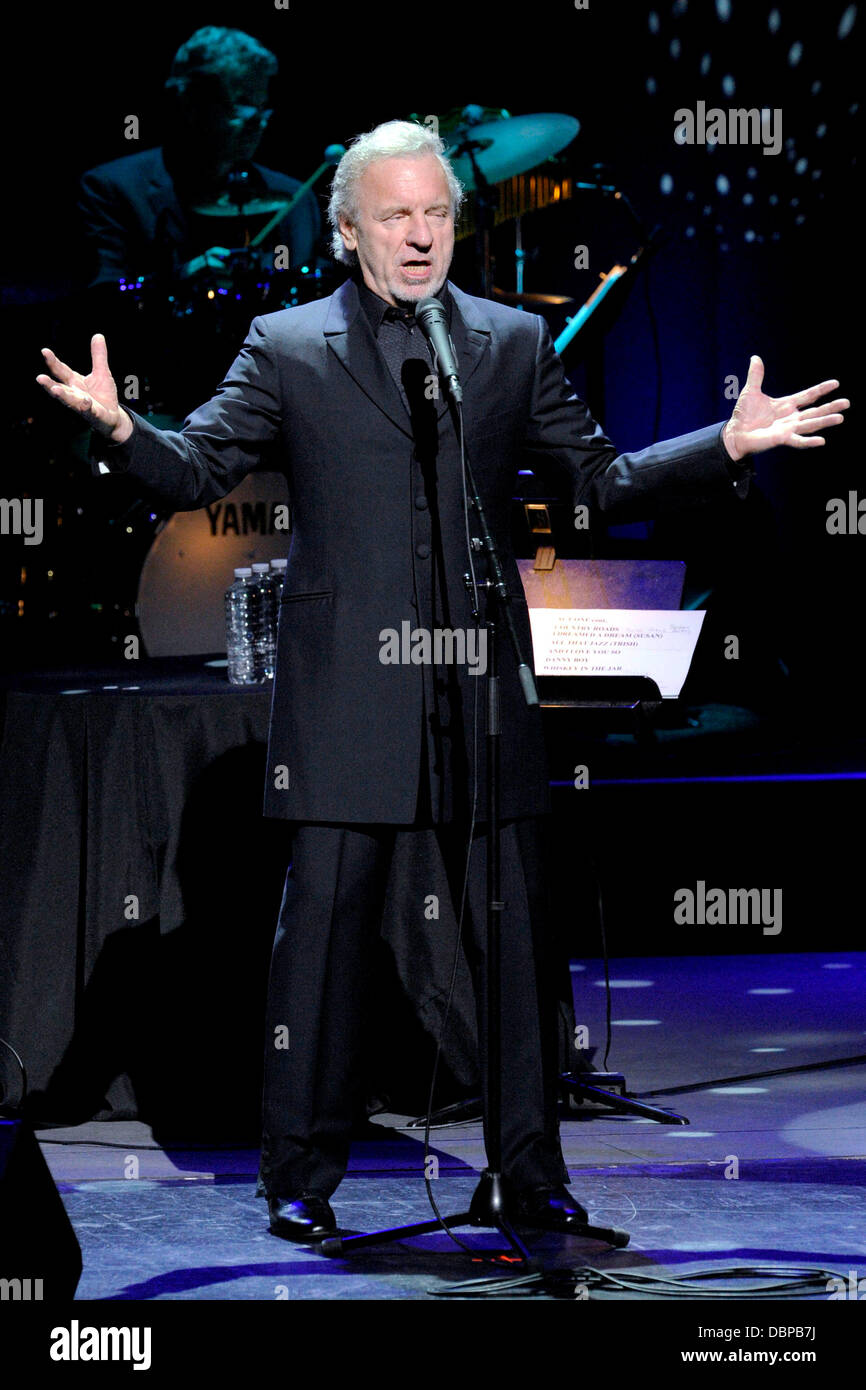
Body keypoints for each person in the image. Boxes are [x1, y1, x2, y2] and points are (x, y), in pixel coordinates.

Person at [37, 120, 848, 1244]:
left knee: (513, 945)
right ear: (345, 230)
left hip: (478, 685)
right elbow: (199, 466)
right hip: (342, 695)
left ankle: (529, 1173)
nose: (419, 237)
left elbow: (601, 478)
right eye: (393, 217)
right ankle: (299, 1172)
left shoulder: (508, 340)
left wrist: (722, 443)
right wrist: (124, 424)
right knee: (318, 946)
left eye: (435, 215)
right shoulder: (287, 342)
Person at [78, 26, 320, 289]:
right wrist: (180, 282)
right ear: (191, 103)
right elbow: (100, 301)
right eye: (240, 101)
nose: (257, 121)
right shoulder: (113, 190)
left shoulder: (295, 199)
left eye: (261, 104)